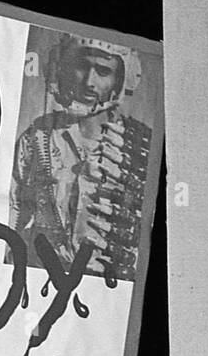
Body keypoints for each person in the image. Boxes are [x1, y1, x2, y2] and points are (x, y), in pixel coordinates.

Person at [10, 34, 152, 282]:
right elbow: (13, 216)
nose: (89, 82)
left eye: (103, 71)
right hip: (41, 276)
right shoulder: (35, 139)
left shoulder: (141, 146)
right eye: (82, 66)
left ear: (120, 79)